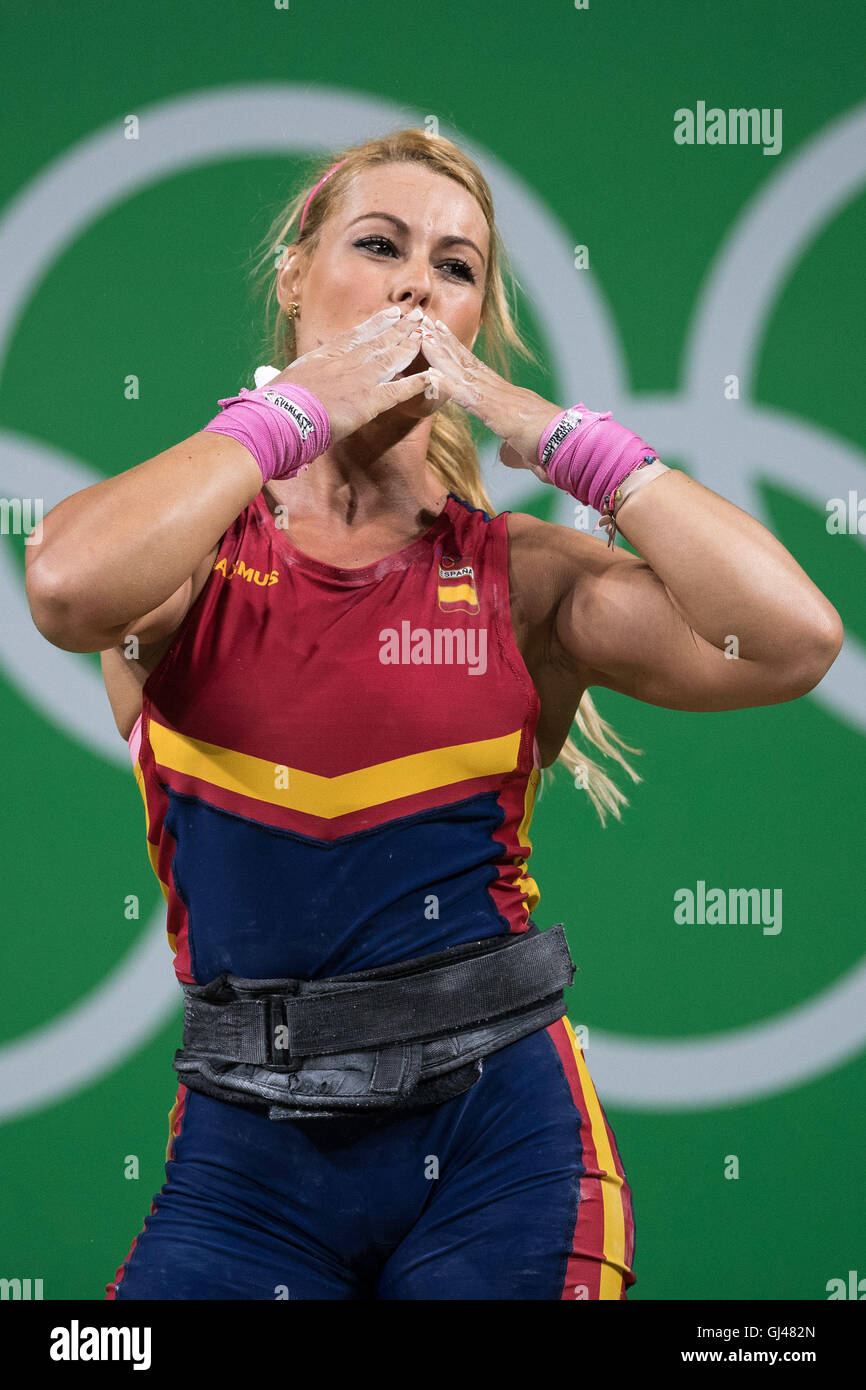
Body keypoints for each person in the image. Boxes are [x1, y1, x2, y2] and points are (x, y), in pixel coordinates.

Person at [25, 128, 842, 1301]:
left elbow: (793, 638)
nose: (417, 282)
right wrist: (286, 419)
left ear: (471, 327)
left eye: (455, 268)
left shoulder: (522, 580)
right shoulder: (193, 556)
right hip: (244, 1166)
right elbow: (61, 585)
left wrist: (557, 435)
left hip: (499, 1149)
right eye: (379, 244)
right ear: (294, 276)